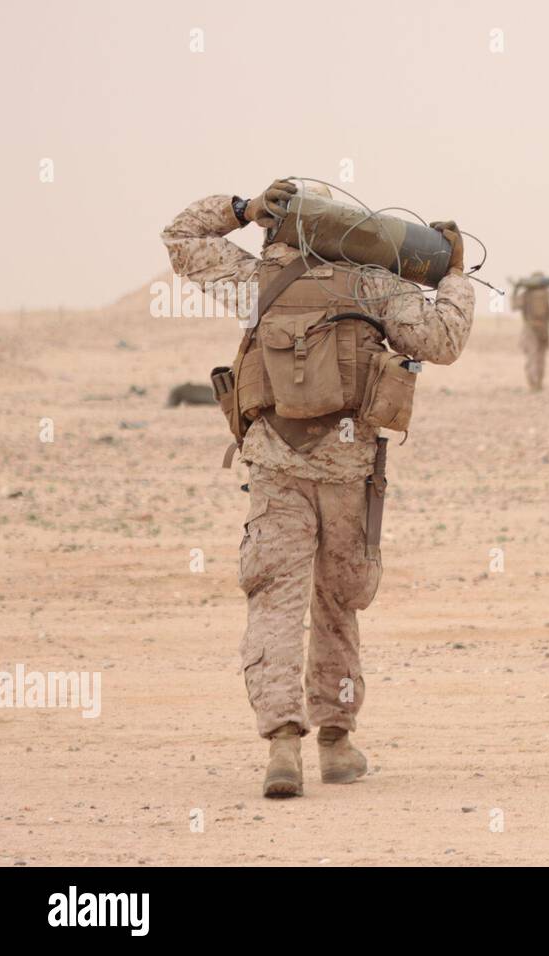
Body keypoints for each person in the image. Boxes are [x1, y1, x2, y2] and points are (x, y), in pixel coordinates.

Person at [161, 178, 473, 798]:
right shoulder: (376, 285)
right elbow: (443, 341)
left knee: (274, 602)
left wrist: (241, 210)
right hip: (348, 468)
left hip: (275, 466)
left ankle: (282, 744)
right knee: (338, 603)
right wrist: (454, 276)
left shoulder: (257, 280)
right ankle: (336, 741)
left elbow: (181, 237)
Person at [511, 272, 549, 390]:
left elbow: (514, 306)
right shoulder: (547, 293)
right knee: (541, 358)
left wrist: (515, 290)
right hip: (544, 329)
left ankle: (532, 383)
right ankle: (539, 382)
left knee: (531, 357)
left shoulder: (525, 294)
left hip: (529, 329)